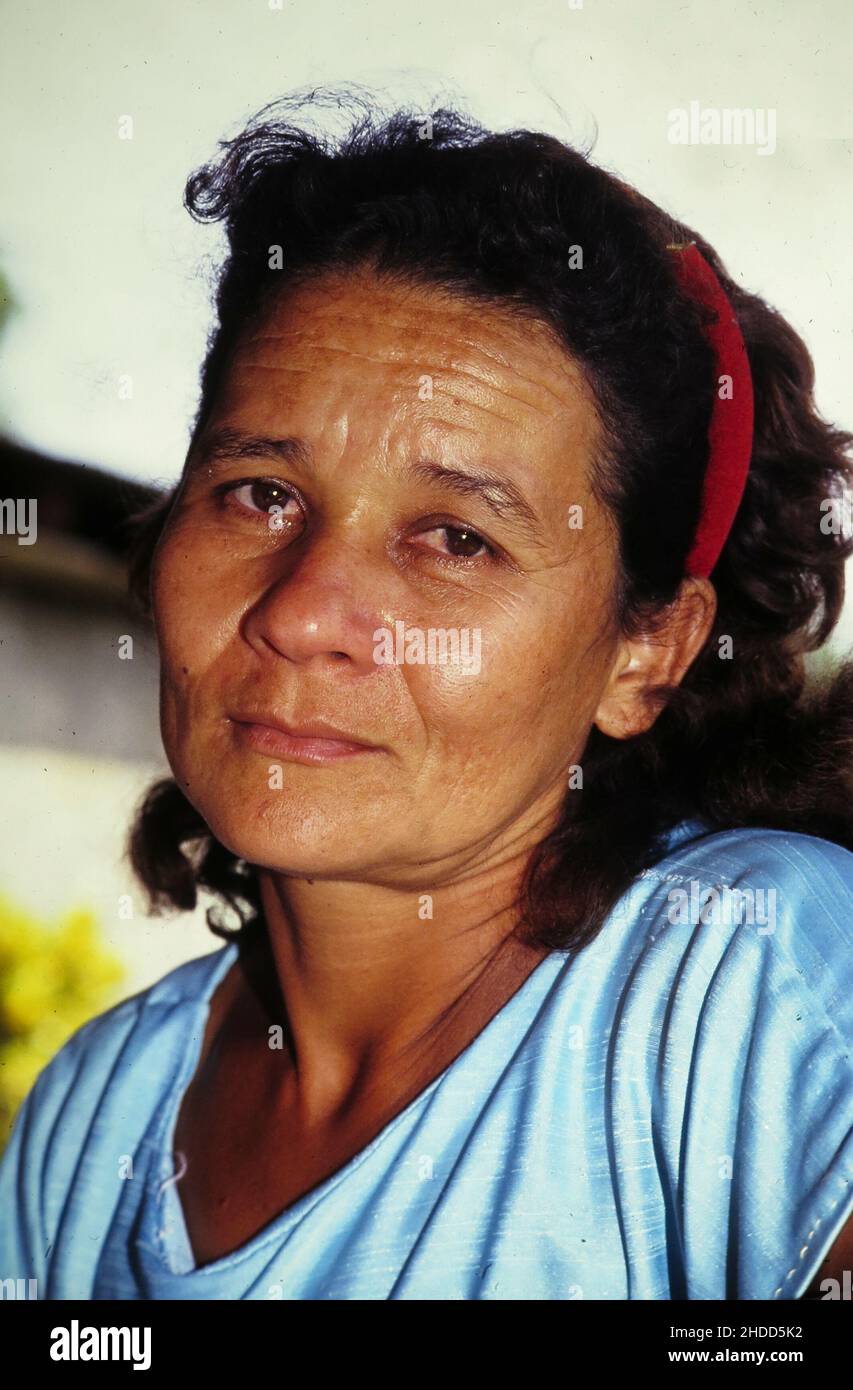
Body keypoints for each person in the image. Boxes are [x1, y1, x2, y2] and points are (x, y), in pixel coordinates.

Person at [1, 91, 852, 1301]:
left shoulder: (745, 986)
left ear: (645, 652)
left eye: (454, 538)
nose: (299, 613)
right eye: (257, 493)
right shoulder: (92, 1119)